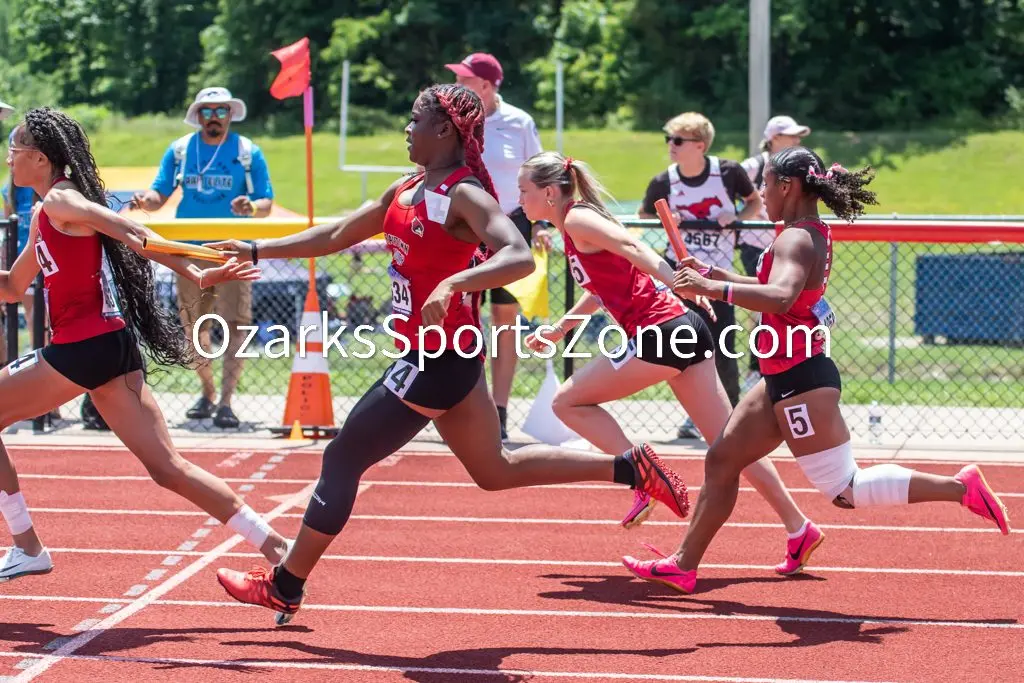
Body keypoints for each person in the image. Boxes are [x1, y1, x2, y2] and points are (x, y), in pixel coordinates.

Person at [210, 84, 688, 623]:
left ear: (444, 130)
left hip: (436, 359)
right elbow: (340, 233)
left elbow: (518, 255)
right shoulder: (407, 187)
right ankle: (630, 469)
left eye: (415, 120)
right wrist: (255, 248)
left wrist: (454, 283)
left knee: (342, 457)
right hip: (447, 358)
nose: (406, 130)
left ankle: (285, 584)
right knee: (494, 469)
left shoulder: (466, 194)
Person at [621, 146, 1011, 595]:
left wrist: (712, 286)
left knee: (846, 491)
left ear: (787, 186)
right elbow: (775, 288)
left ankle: (961, 488)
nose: (761, 193)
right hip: (783, 376)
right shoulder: (804, 232)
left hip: (800, 380)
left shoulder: (796, 238)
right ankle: (684, 565)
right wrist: (713, 272)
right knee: (722, 460)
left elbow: (782, 297)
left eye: (766, 184)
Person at [0, 106, 291, 582]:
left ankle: (26, 545)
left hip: (84, 347)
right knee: (168, 468)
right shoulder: (43, 212)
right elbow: (13, 287)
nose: (8, 160)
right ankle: (279, 548)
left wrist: (195, 270)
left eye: (12, 151)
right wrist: (194, 270)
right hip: (111, 348)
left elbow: (133, 232)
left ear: (37, 157)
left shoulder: (61, 201)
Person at [520, 151, 821, 576]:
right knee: (731, 442)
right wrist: (561, 329)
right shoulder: (575, 224)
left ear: (550, 192)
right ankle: (799, 527)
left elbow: (632, 246)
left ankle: (638, 472)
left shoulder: (575, 219)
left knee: (567, 403)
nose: (520, 199)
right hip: (682, 329)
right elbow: (603, 286)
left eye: (524, 191)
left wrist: (681, 281)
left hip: (662, 332)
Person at [132, 87, 274, 429]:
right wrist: (144, 200)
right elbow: (159, 195)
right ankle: (208, 391)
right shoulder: (180, 150)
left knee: (236, 326)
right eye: (207, 111)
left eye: (221, 111)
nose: (214, 117)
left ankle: (227, 401)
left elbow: (266, 201)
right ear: (198, 115)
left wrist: (250, 207)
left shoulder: (246, 151)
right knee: (194, 328)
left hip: (232, 252)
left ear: (231, 114)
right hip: (189, 252)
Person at [446, 52, 552, 441]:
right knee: (460, 315)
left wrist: (541, 222)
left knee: (504, 322)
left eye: (465, 79)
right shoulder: (455, 122)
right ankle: (456, 403)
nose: (458, 85)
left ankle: (499, 410)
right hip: (465, 227)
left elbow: (540, 173)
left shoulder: (518, 122)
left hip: (511, 226)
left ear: (486, 86)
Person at [638, 112, 763, 441]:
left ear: (700, 145)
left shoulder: (727, 173)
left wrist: (734, 216)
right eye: (669, 139)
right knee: (685, 350)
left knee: (724, 347)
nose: (671, 146)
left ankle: (733, 417)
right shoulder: (664, 181)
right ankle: (697, 416)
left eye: (678, 140)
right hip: (680, 280)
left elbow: (754, 202)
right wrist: (669, 221)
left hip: (717, 278)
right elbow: (644, 214)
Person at [736, 116, 811, 383]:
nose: (797, 141)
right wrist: (744, 214)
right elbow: (734, 196)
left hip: (786, 243)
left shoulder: (795, 169)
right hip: (756, 244)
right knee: (762, 306)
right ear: (774, 138)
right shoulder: (753, 167)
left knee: (785, 306)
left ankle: (778, 361)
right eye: (791, 136)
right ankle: (757, 369)